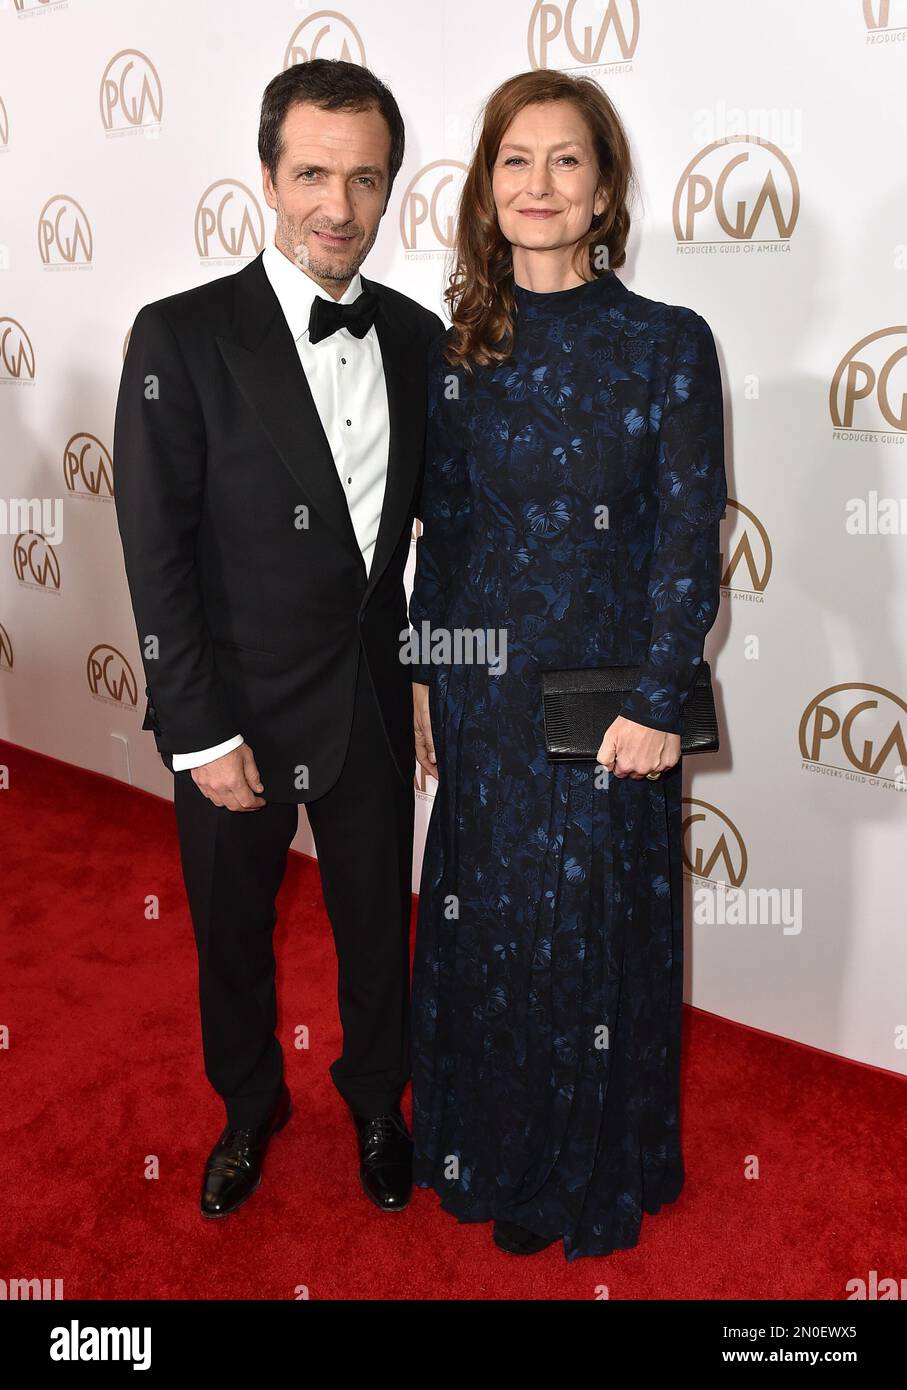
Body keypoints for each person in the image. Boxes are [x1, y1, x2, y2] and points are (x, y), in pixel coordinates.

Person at [114, 59, 444, 1219]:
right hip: (233, 712)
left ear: (390, 187)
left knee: (373, 927)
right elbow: (156, 552)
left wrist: (421, 670)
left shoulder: (417, 337)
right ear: (266, 175)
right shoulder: (180, 336)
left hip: (363, 693)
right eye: (311, 173)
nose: (337, 206)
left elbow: (431, 535)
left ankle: (375, 1101)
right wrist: (198, 731)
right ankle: (249, 1108)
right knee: (231, 937)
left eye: (363, 179)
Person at [408, 69, 727, 1259]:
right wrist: (427, 672)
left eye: (565, 161)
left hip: (607, 713)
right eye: (513, 160)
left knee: (588, 939)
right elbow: (442, 535)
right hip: (487, 699)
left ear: (603, 191)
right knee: (489, 926)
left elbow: (688, 538)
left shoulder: (665, 345)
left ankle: (588, 1165)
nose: (537, 184)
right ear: (487, 191)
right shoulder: (458, 353)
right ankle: (483, 1142)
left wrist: (657, 701)